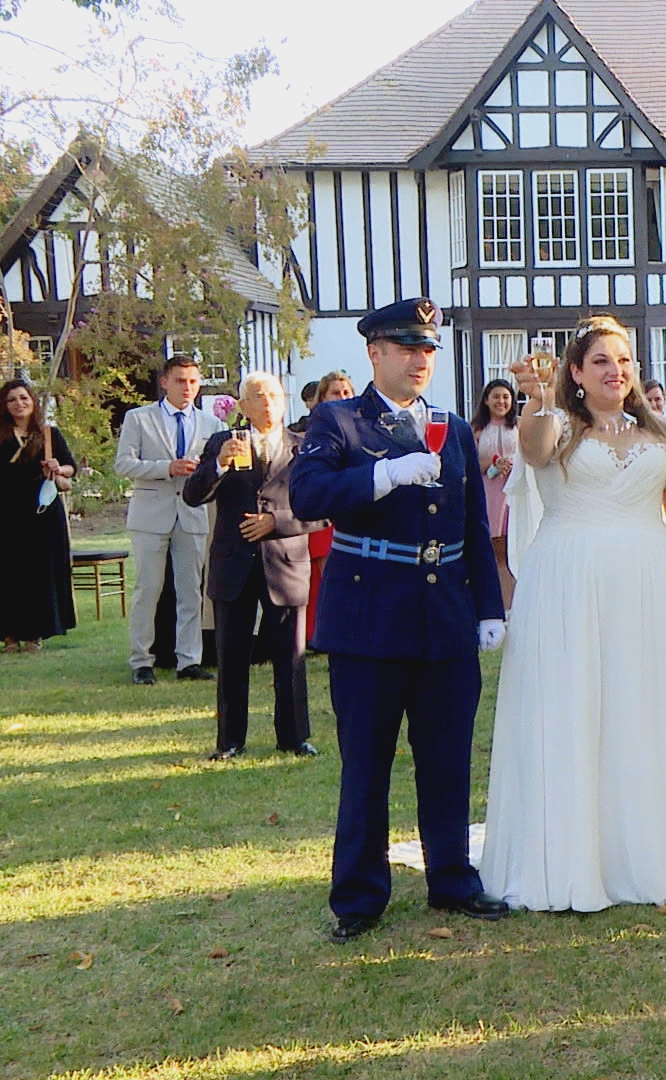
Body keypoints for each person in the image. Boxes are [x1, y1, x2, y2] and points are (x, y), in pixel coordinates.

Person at [480, 317, 666, 911]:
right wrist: (538, 399)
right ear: (576, 372)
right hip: (566, 581)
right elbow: (535, 452)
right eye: (600, 361)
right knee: (571, 706)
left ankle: (645, 853)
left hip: (647, 582)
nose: (616, 371)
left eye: (623, 361)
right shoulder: (555, 426)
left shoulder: (664, 433)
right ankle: (568, 857)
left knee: (639, 707)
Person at [289, 297, 509, 944]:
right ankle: (359, 895)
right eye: (406, 348)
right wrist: (383, 475)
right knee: (367, 764)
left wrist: (489, 608)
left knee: (446, 759)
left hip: (443, 616)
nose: (419, 360)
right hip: (369, 616)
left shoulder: (452, 427)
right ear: (374, 353)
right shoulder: (338, 420)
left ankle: (452, 878)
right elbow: (307, 496)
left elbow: (472, 524)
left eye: (427, 350)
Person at [183, 372, 325, 760]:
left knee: (291, 658)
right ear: (243, 406)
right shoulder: (223, 443)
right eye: (258, 397)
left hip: (284, 562)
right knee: (231, 657)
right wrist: (219, 466)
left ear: (285, 401)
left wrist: (276, 522)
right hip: (234, 565)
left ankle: (294, 737)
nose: (267, 404)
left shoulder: (305, 447)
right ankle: (230, 740)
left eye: (275, 396)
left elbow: (323, 508)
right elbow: (193, 495)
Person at [115, 354, 224, 684]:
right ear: (164, 382)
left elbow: (216, 470)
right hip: (151, 514)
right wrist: (166, 468)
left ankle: (188, 660)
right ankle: (141, 661)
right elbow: (124, 465)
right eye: (180, 381)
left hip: (192, 514)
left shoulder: (212, 424)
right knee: (148, 590)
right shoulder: (139, 418)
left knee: (191, 591)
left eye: (193, 381)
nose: (187, 388)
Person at [1, 379, 76, 652]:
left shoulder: (48, 435)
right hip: (7, 514)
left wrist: (58, 468)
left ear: (32, 402)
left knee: (40, 573)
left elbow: (71, 468)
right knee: (8, 573)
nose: (19, 404)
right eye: (12, 400)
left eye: (23, 398)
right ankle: (9, 634)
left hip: (42, 512)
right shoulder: (1, 435)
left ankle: (36, 632)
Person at [304, 372, 354, 647]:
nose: (343, 398)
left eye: (347, 392)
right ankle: (319, 633)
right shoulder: (316, 430)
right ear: (322, 398)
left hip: (349, 512)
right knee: (324, 577)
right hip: (323, 515)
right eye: (336, 393)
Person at [471, 378, 519, 610]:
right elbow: (469, 464)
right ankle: (494, 601)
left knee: (513, 545)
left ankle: (514, 602)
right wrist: (492, 467)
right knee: (491, 546)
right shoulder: (477, 429)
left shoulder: (519, 427)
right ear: (487, 400)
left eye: (505, 397)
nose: (501, 401)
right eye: (496, 397)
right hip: (488, 492)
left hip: (514, 493)